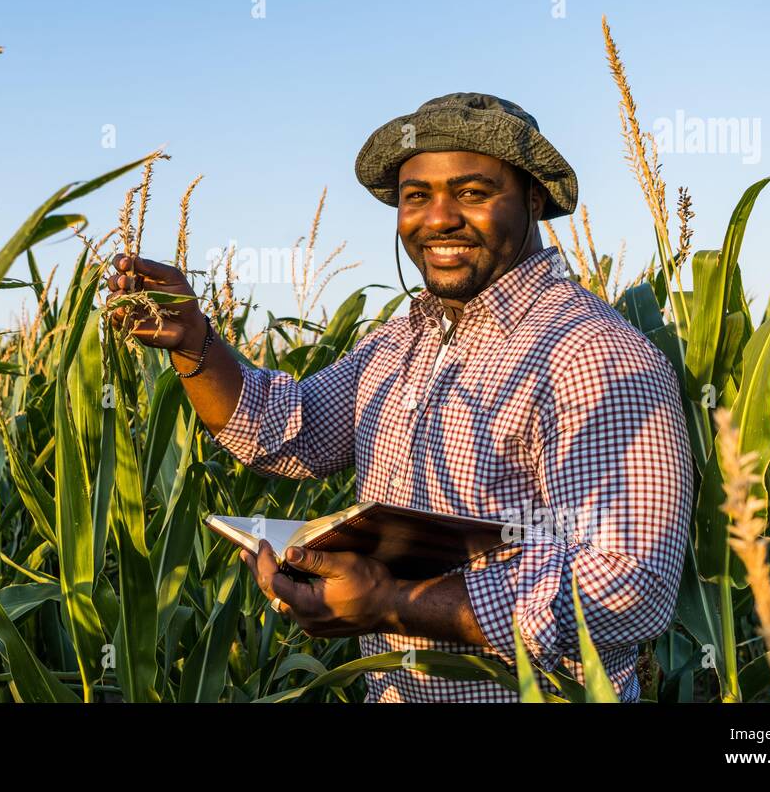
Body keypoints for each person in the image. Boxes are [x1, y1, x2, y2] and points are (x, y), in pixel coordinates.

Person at [105, 92, 694, 701]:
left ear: (533, 199)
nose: (437, 219)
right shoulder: (401, 340)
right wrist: (193, 340)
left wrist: (393, 603)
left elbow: (631, 584)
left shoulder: (591, 353)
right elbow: (283, 430)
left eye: (472, 192)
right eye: (417, 197)